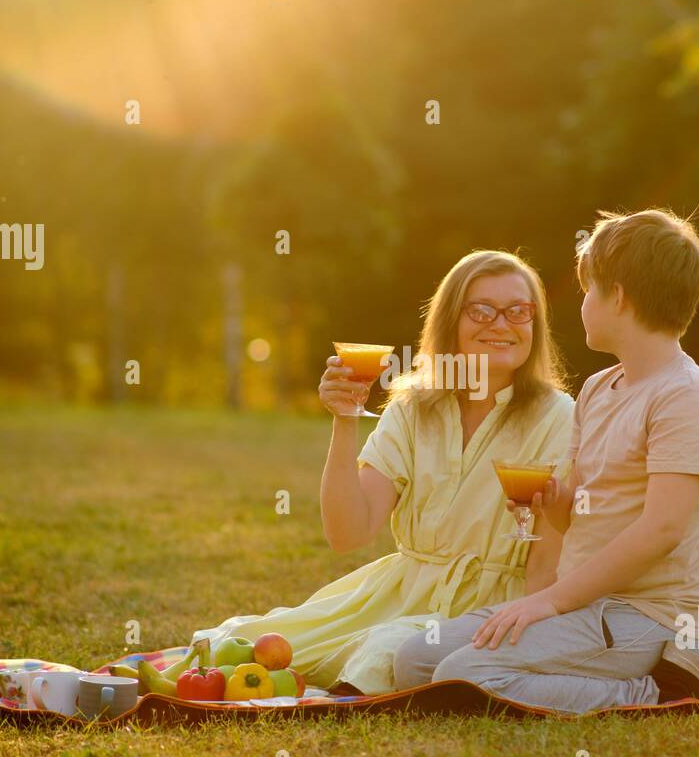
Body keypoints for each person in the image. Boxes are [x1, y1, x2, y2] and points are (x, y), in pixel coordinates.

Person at [393, 208, 699, 712]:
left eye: (588, 291)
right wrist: (556, 501)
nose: (581, 303)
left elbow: (662, 531)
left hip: (650, 619)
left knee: (464, 675)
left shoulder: (685, 397)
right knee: (414, 661)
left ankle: (659, 691)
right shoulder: (597, 390)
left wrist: (547, 602)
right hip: (585, 603)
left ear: (618, 298)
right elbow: (579, 514)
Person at [191, 250, 574, 695]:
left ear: (534, 325)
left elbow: (546, 557)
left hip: (495, 603)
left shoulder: (559, 417)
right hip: (397, 592)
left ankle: (348, 690)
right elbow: (348, 533)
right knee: (248, 645)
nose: (501, 323)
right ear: (451, 320)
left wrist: (524, 638)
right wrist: (345, 418)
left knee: (383, 650)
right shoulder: (413, 408)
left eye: (518, 311)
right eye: (481, 309)